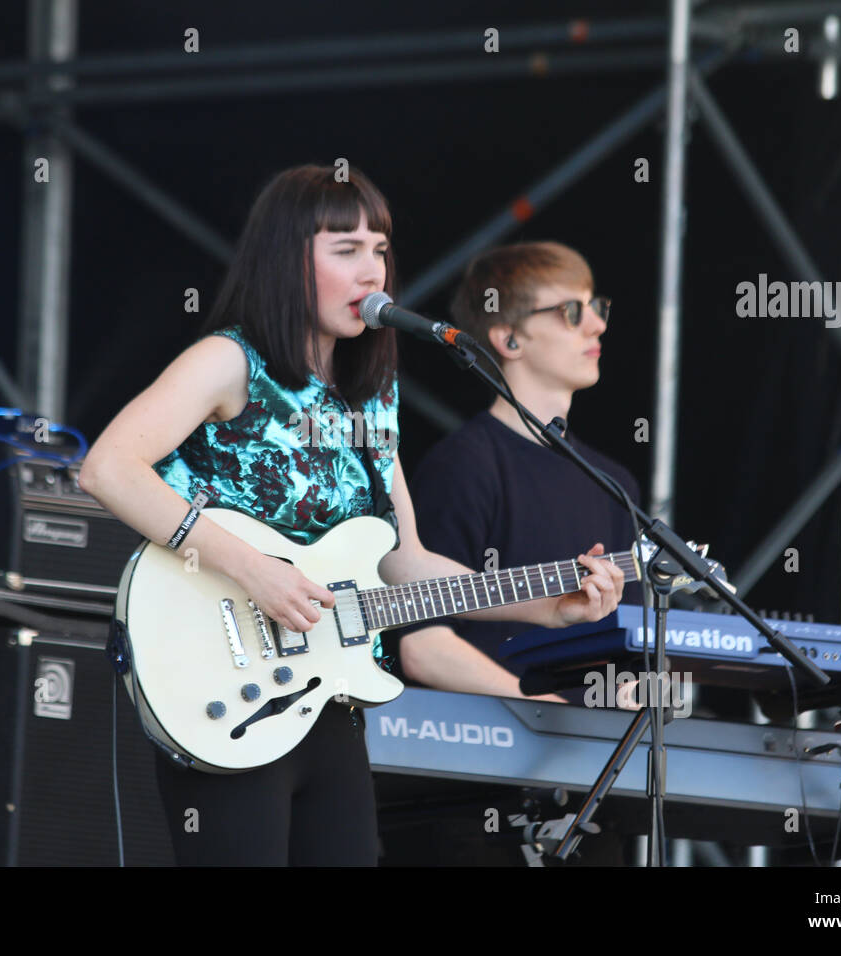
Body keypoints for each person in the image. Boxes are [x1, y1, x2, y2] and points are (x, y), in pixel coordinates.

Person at [78, 169, 624, 866]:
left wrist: (547, 605)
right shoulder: (227, 362)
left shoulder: (373, 396)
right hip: (225, 686)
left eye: (380, 248)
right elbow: (109, 468)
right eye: (346, 249)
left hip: (330, 700)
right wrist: (256, 570)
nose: (373, 269)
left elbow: (404, 561)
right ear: (285, 257)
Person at [389, 241, 642, 701]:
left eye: (596, 307)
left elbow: (631, 652)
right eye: (572, 311)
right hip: (480, 752)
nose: (598, 324)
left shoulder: (616, 485)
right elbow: (422, 646)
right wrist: (538, 708)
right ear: (509, 339)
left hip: (583, 751)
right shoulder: (463, 464)